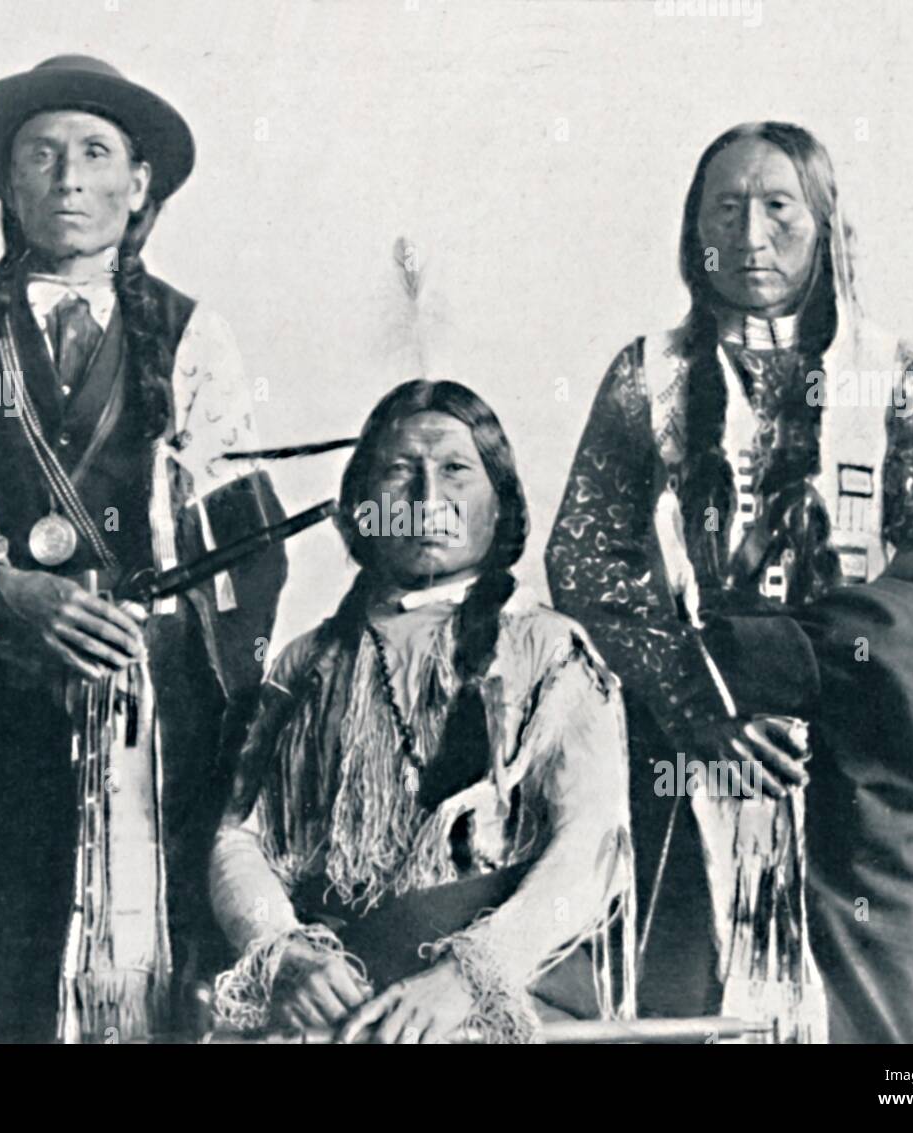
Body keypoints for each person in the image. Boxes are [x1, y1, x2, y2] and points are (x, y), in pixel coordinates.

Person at [0, 55, 288, 1042]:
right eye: (42, 154)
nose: (69, 177)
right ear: (9, 182)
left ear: (138, 186)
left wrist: (167, 663)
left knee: (155, 985)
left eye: (95, 153)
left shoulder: (193, 338)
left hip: (155, 741)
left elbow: (250, 551)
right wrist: (3, 594)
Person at [545, 121, 913, 1043]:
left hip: (848, 751)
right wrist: (699, 699)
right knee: (678, 983)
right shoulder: (646, 379)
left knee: (872, 1014)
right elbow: (585, 558)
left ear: (823, 224)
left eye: (778, 208)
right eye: (726, 208)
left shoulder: (892, 377)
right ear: (691, 230)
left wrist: (791, 655)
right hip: (677, 741)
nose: (750, 236)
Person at [208, 381, 634, 1043]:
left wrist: (468, 976)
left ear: (501, 506)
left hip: (506, 1000)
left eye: (456, 470)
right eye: (401, 470)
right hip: (340, 1002)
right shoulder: (308, 662)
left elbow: (591, 847)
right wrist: (286, 952)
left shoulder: (550, 652)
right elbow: (239, 835)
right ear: (360, 505)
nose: (427, 499)